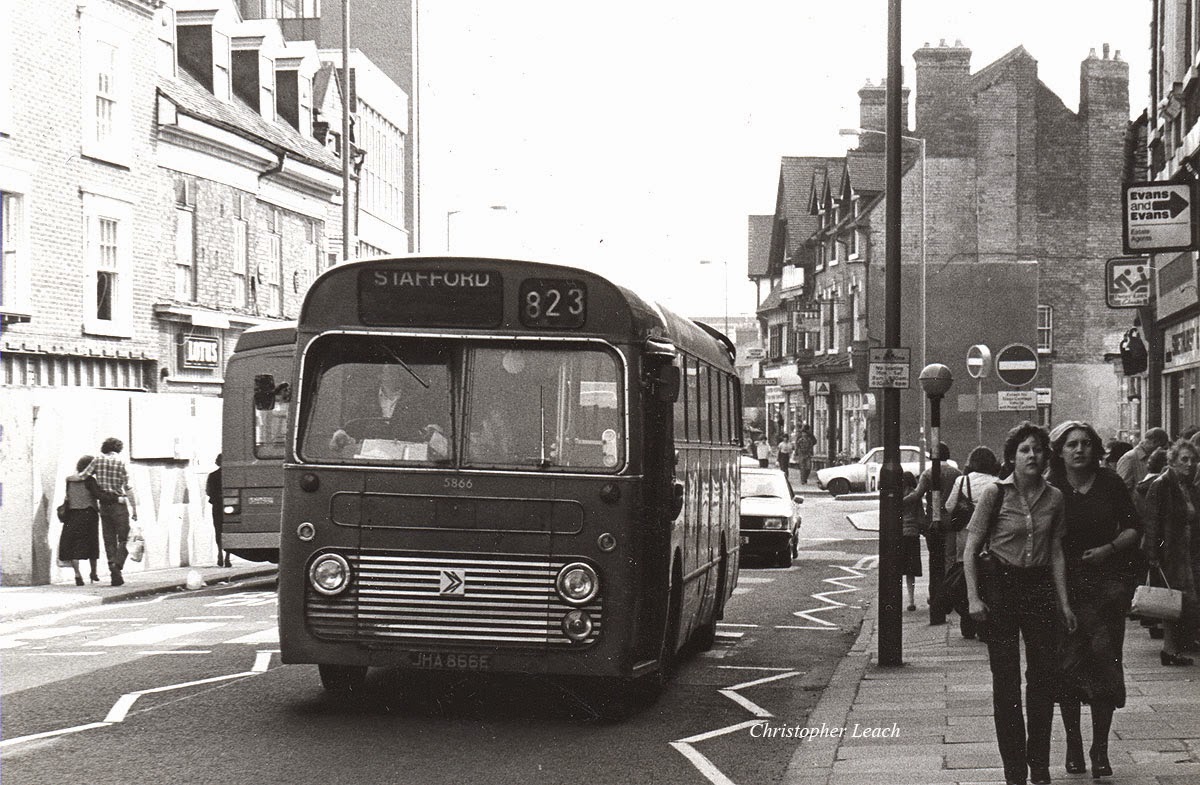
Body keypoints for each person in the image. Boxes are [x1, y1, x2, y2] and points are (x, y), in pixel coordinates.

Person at [964, 421, 1075, 785]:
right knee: (1006, 682)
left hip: (1039, 586)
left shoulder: (1055, 497)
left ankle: (1039, 765)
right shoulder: (995, 495)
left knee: (1043, 678)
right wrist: (974, 598)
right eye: (1025, 450)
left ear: (1046, 457)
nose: (1033, 456)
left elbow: (1056, 551)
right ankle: (1014, 770)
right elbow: (971, 549)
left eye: (1039, 450)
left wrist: (1064, 603)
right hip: (1002, 587)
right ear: (1012, 456)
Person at [1045, 421, 1143, 779]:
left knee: (1105, 669)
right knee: (1068, 669)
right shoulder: (1052, 486)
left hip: (1105, 591)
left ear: (1095, 448)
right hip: (1064, 589)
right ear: (1060, 450)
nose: (1080, 449)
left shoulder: (1110, 483)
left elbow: (1135, 527)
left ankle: (1099, 748)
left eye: (1086, 443)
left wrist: (1109, 548)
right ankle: (1073, 743)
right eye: (1072, 444)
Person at [1142, 438, 1200, 666]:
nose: (1190, 464)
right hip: (1170, 552)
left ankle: (1178, 645)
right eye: (1184, 459)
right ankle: (1170, 649)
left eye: (1193, 460)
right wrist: (1154, 555)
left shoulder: (1188, 487)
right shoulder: (1163, 484)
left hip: (1187, 551)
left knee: (1183, 599)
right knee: (1172, 599)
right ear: (1173, 461)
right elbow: (1152, 521)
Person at [945, 445, 1001, 640]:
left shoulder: (963, 481)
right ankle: (985, 624)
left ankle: (967, 623)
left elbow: (950, 506)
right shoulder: (997, 482)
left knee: (966, 577)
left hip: (965, 536)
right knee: (987, 578)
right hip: (989, 538)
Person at [905, 442, 961, 609]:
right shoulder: (956, 473)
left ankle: (935, 596)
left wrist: (896, 503)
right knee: (950, 559)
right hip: (951, 522)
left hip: (933, 524)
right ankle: (950, 594)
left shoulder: (928, 473)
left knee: (934, 560)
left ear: (931, 456)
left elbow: (917, 495)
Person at [88, 437, 138, 587]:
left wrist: (96, 488)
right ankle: (117, 565)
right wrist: (134, 508)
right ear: (118, 449)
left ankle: (112, 566)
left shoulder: (97, 460)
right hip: (119, 503)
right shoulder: (122, 462)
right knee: (124, 538)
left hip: (104, 504)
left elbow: (85, 475)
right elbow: (128, 487)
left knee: (108, 538)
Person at [58, 455, 109, 585]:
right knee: (92, 544)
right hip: (89, 514)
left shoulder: (69, 480)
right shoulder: (90, 480)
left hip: (72, 515)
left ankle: (77, 575)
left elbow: (68, 496)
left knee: (74, 545)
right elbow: (98, 495)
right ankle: (93, 573)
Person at [900, 471, 923, 612]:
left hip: (898, 535)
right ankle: (911, 600)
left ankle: (896, 599)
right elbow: (920, 516)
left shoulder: (895, 495)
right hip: (912, 534)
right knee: (910, 571)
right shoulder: (915, 497)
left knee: (897, 569)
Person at [206, 454, 230, 568]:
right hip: (229, 505)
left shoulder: (212, 475)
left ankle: (220, 553)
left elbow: (208, 491)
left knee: (218, 530)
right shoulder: (231, 476)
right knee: (228, 530)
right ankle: (227, 557)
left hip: (217, 506)